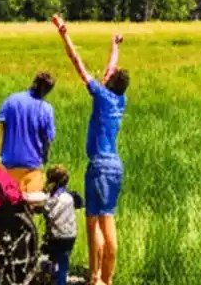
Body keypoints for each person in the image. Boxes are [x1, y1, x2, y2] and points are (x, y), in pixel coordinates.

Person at [50, 15, 129, 285]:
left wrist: (64, 34)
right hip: (116, 166)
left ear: (108, 82)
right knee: (110, 220)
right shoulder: (120, 99)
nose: (106, 74)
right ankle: (108, 279)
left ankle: (95, 277)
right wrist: (115, 46)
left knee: (94, 222)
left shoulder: (101, 94)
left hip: (98, 166)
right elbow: (112, 68)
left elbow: (78, 63)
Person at [0, 71, 56, 194]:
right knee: (29, 207)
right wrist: (45, 157)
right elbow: (47, 139)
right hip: (32, 167)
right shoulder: (46, 109)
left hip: (8, 165)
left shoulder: (11, 100)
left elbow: (0, 128)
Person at [42, 165, 84, 285]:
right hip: (70, 235)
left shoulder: (52, 199)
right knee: (63, 261)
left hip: (56, 236)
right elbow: (80, 203)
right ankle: (59, 279)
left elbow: (48, 213)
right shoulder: (69, 197)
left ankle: (53, 277)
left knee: (54, 258)